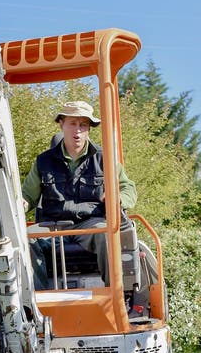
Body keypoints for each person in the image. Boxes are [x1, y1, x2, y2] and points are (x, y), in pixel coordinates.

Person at [22, 100, 137, 285]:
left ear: (89, 128)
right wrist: (21, 203)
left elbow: (127, 188)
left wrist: (118, 198)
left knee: (107, 234)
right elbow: (27, 196)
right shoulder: (43, 161)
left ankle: (116, 296)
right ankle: (36, 305)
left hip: (90, 224)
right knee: (24, 239)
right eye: (72, 124)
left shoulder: (105, 158)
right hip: (53, 226)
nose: (78, 130)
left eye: (83, 125)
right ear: (61, 124)